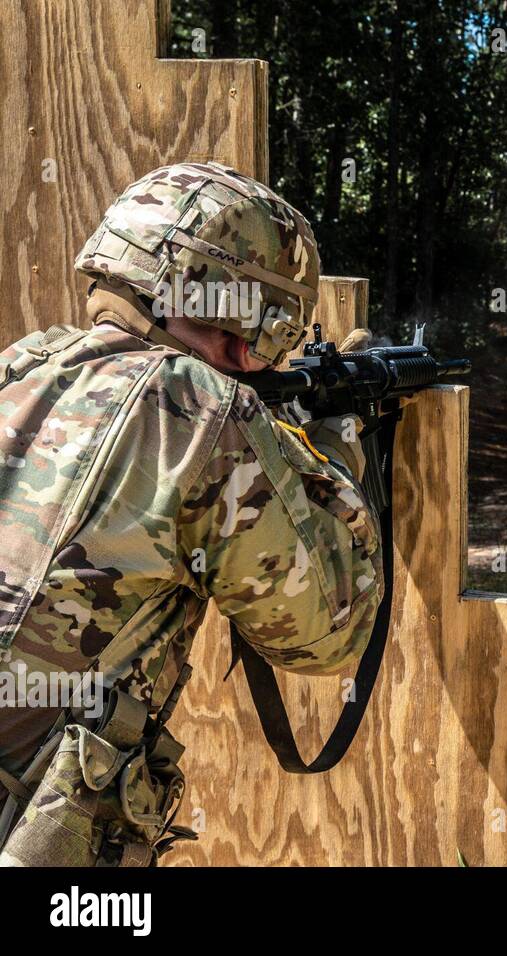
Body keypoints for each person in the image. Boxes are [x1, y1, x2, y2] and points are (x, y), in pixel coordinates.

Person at [0, 162, 382, 866]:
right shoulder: (202, 410)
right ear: (248, 329)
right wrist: (333, 450)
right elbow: (328, 634)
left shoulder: (23, 366)